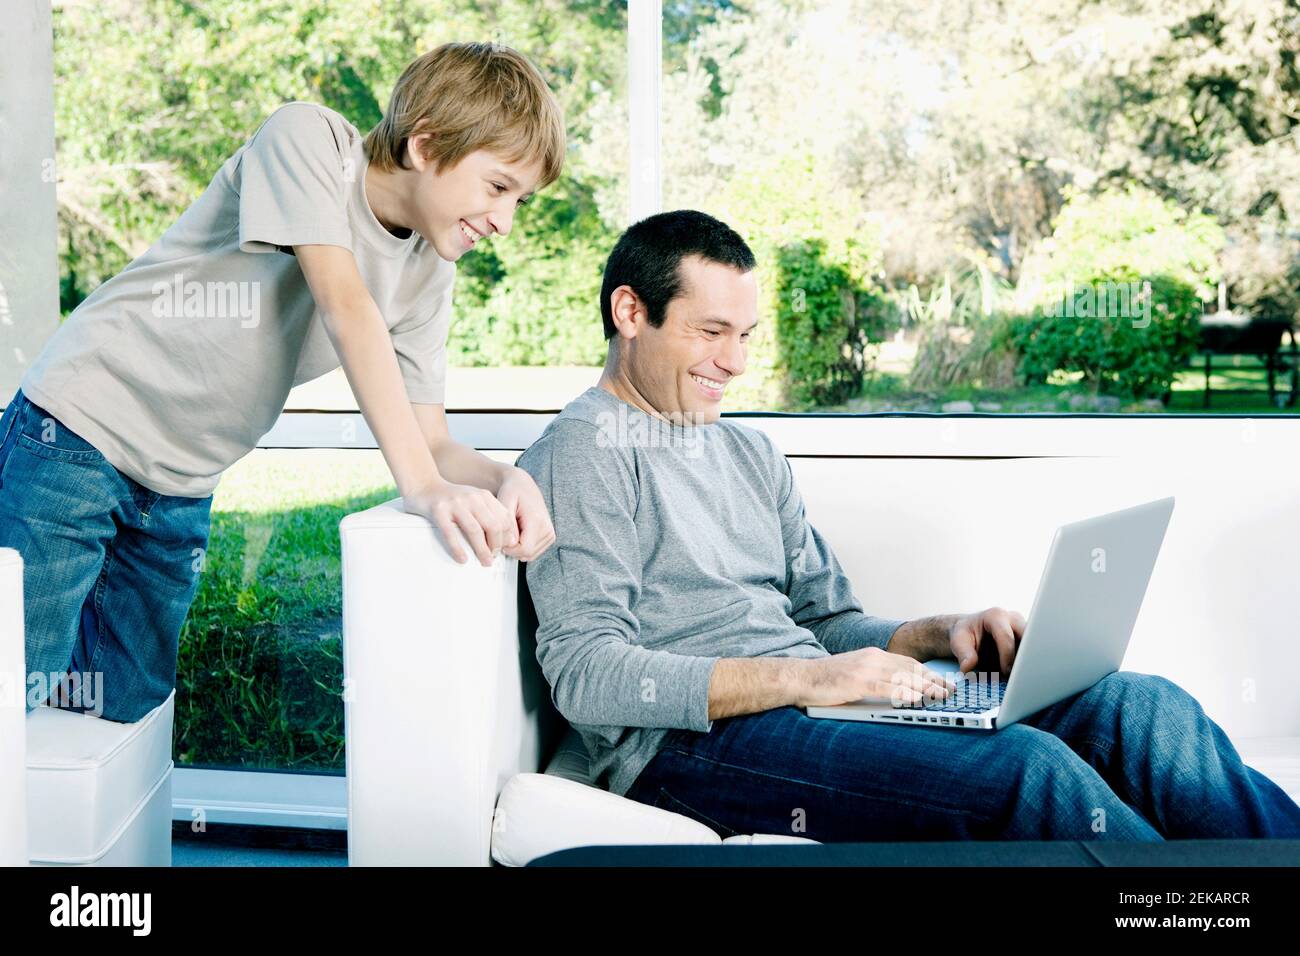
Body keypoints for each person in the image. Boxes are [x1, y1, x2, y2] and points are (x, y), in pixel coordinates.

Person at [514, 208, 1300, 841]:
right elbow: (588, 674)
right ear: (630, 312)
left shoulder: (745, 451)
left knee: (1142, 708)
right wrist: (810, 678)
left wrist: (943, 632)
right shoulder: (583, 453)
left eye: (746, 336)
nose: (735, 362)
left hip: (815, 701)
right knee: (1029, 771)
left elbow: (828, 621)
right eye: (711, 333)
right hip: (691, 748)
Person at [0, 41, 559, 722]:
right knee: (16, 683)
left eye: (521, 201)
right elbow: (345, 306)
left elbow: (431, 440)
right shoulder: (311, 140)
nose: (504, 220)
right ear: (425, 145)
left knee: (123, 704)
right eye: (498, 186)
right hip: (78, 429)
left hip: (181, 483)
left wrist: (503, 478)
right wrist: (420, 487)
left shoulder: (428, 274)